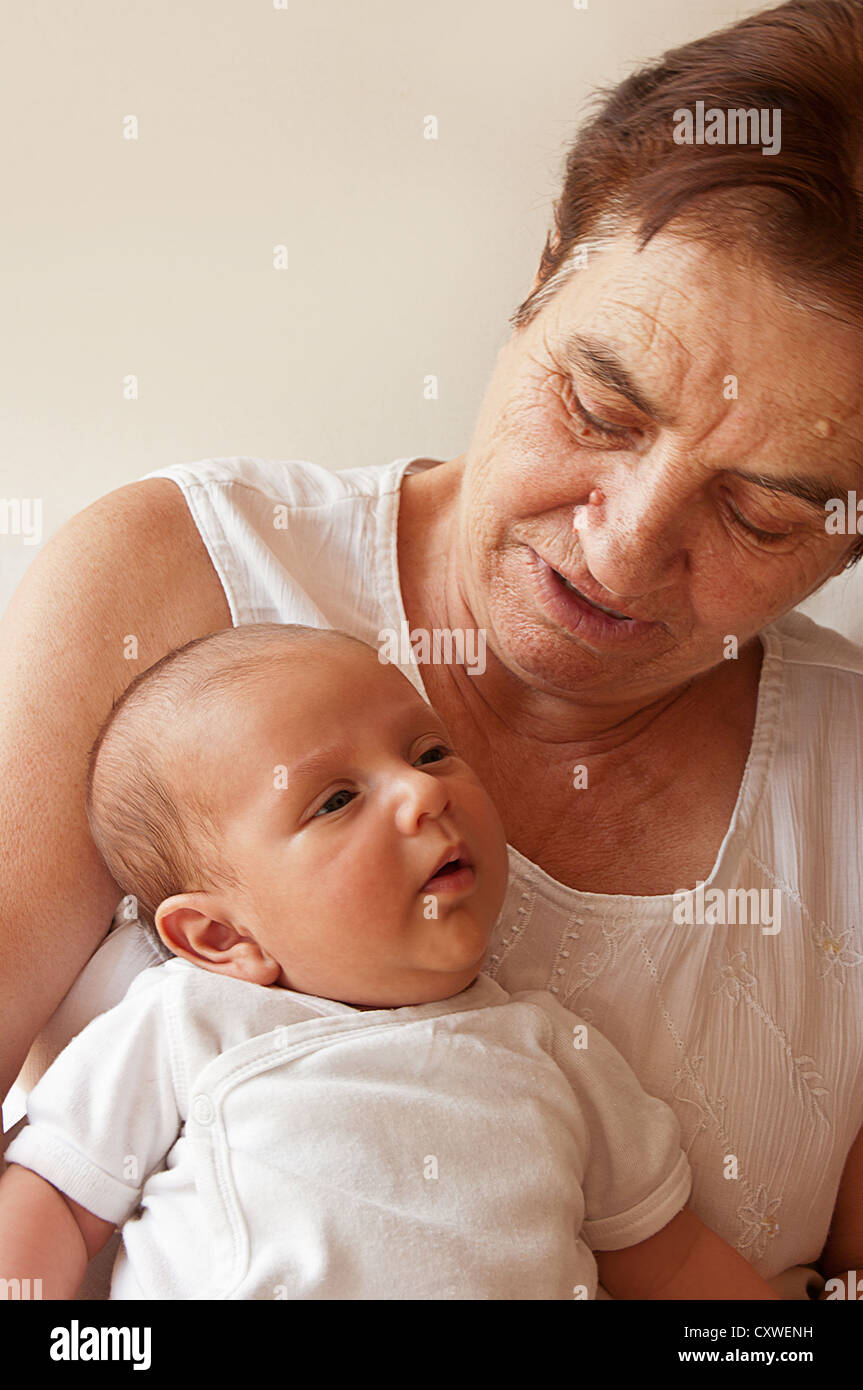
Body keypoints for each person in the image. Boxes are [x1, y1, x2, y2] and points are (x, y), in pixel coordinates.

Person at [2, 0, 862, 1296]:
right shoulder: (169, 581)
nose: (619, 551)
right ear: (545, 266)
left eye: (760, 509)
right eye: (596, 404)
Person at [0, 624, 780, 1300]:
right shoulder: (188, 1021)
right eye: (336, 800)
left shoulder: (551, 1049)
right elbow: (59, 1201)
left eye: (432, 752)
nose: (421, 791)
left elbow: (669, 1262)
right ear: (219, 939)